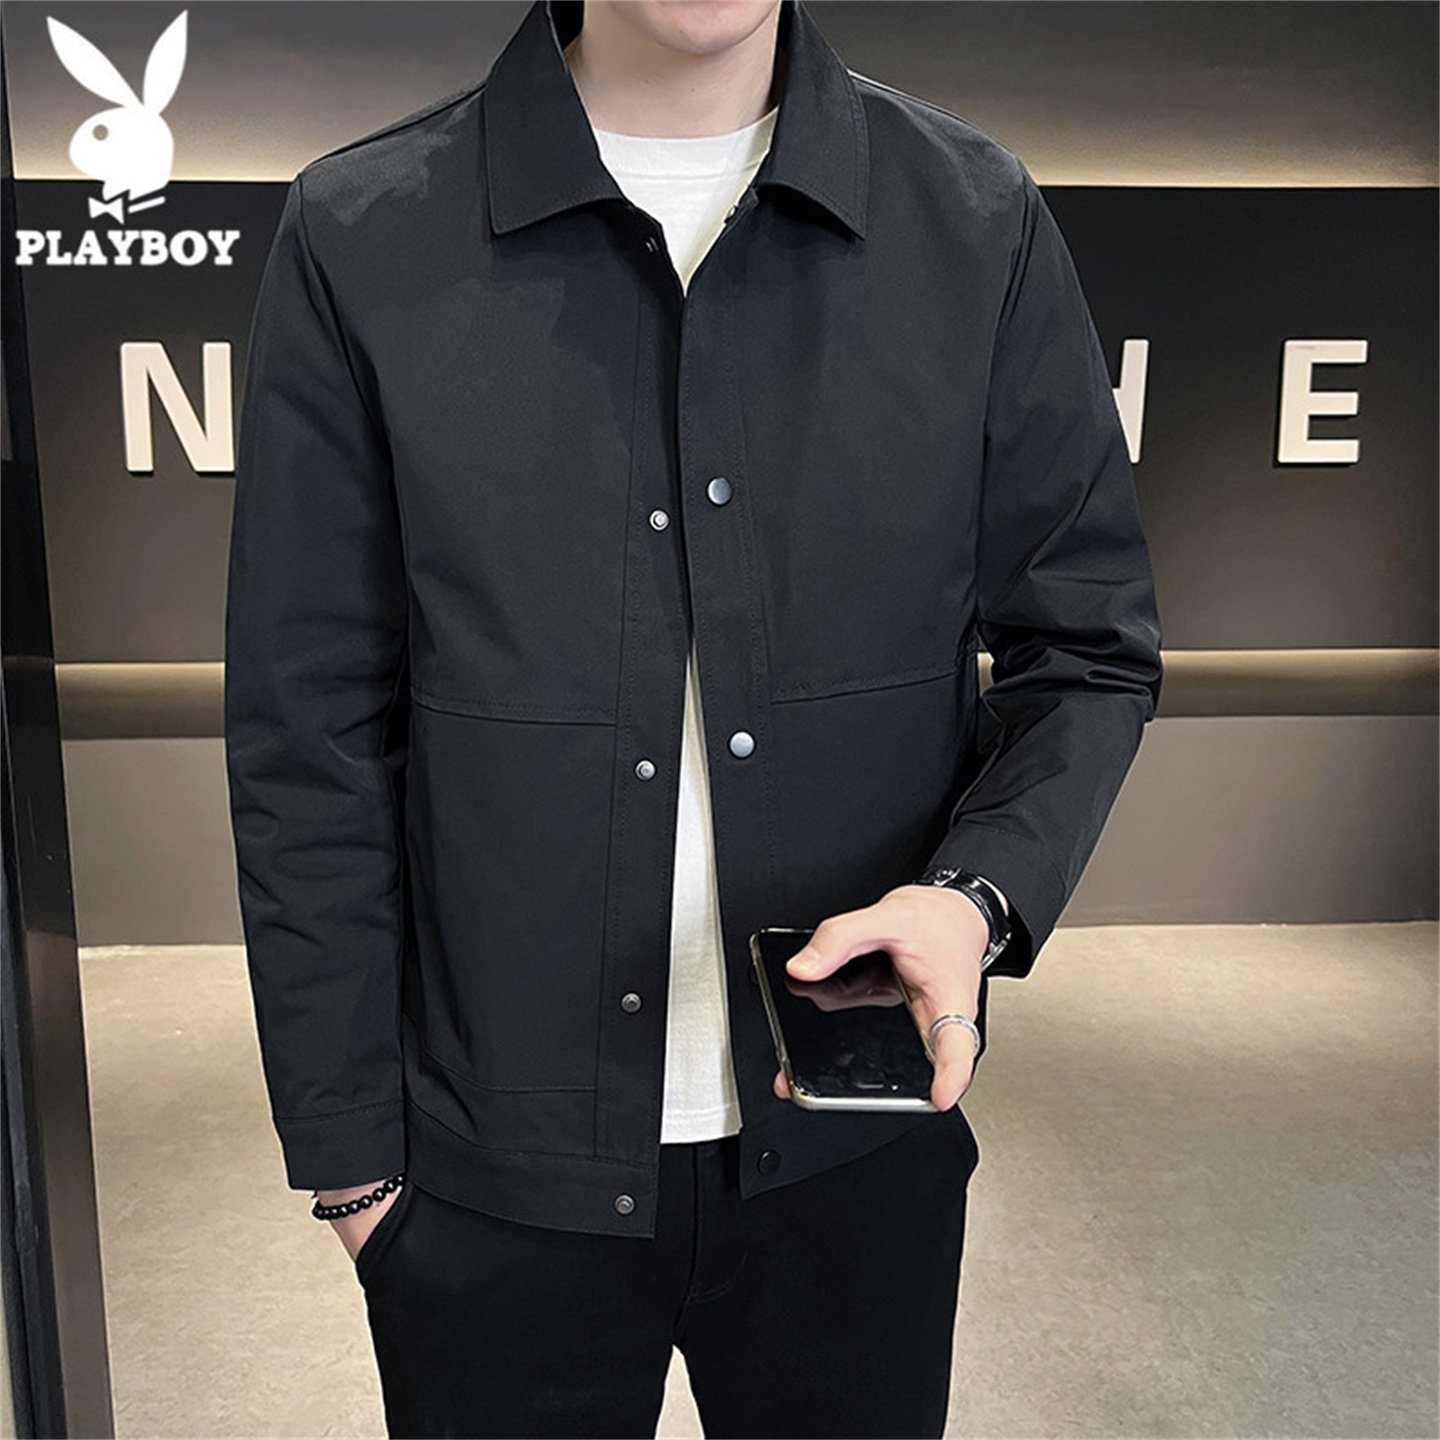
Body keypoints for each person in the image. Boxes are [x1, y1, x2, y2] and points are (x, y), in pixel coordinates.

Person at [223, 1, 1163, 1436]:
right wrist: (352, 1170)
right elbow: (310, 734)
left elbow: (1087, 646)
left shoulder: (976, 222)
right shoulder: (363, 232)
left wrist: (976, 898)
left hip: (854, 1157)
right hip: (487, 1183)